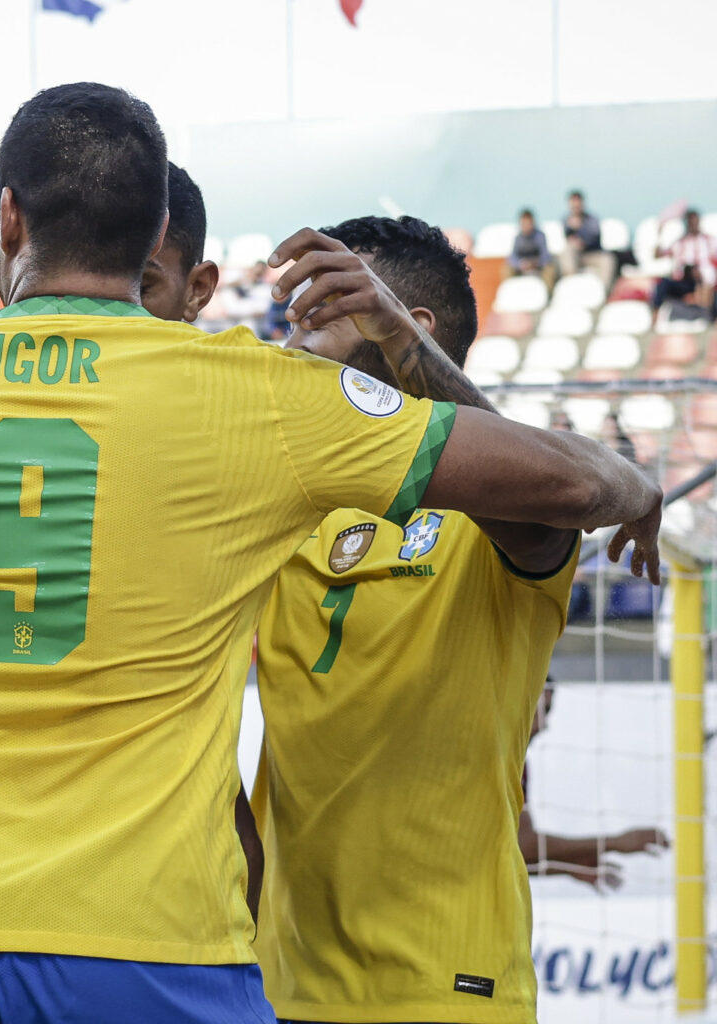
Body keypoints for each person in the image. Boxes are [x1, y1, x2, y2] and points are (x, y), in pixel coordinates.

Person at [0, 82, 661, 1023]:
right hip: (156, 944)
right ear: (157, 246)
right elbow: (572, 483)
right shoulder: (253, 404)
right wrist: (644, 487)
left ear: (7, 218)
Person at [248, 215, 586, 1024]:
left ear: (409, 328)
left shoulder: (499, 507)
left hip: (445, 983)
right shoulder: (289, 501)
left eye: (326, 307)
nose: (296, 331)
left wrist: (394, 338)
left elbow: (558, 504)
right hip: (278, 982)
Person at [520, 681, 669, 889]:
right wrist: (615, 843)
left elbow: (506, 855)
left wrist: (569, 867)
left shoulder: (520, 764)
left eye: (548, 711)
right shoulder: (493, 759)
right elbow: (522, 846)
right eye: (537, 710)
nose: (543, 725)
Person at [651, 208, 716, 317]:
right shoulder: (679, 243)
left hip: (705, 282)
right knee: (662, 283)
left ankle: (710, 317)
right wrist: (660, 234)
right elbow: (658, 255)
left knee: (704, 276)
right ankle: (654, 317)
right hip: (684, 281)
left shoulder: (710, 240)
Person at [561, 189, 613, 283]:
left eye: (578, 202)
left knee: (608, 259)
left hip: (591, 255)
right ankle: (570, 283)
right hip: (576, 256)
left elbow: (595, 238)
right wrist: (571, 229)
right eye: (573, 203)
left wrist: (582, 231)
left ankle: (604, 291)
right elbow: (566, 237)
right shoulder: (566, 220)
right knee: (567, 250)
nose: (576, 206)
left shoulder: (592, 220)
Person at [508, 207, 554, 285]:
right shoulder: (518, 239)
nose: (526, 226)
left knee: (549, 270)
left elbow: (546, 256)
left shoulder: (540, 236)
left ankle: (548, 294)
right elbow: (513, 257)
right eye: (523, 223)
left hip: (538, 268)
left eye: (528, 223)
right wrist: (521, 264)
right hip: (522, 268)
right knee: (507, 269)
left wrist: (534, 263)